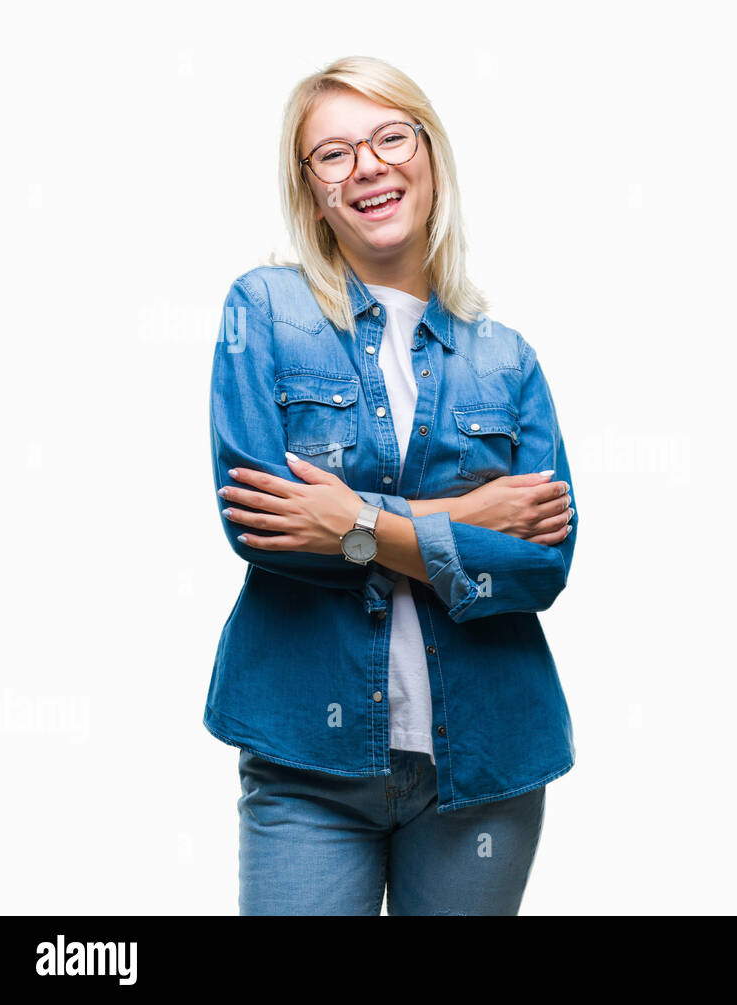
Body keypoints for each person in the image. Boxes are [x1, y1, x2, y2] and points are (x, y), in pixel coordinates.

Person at [205, 55, 578, 915]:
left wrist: (353, 521)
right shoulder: (265, 311)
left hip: (485, 765)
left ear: (429, 159)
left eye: (389, 137)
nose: (367, 164)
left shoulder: (507, 359)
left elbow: (541, 566)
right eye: (333, 154)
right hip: (308, 764)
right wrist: (464, 516)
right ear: (313, 192)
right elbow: (261, 518)